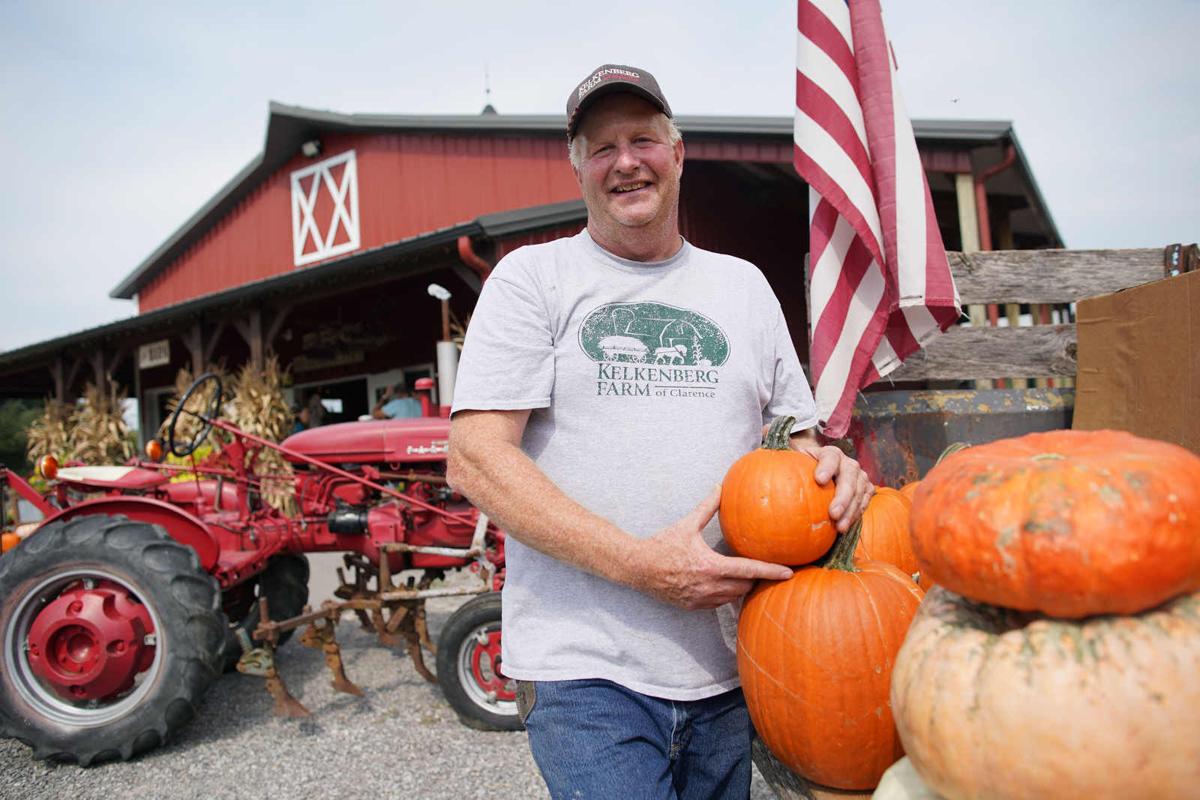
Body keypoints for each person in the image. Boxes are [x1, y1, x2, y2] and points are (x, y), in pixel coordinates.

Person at [446, 64, 872, 800]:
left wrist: (837, 474)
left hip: (736, 664)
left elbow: (794, 444)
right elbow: (476, 460)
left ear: (677, 153)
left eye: (642, 140)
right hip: (586, 673)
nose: (625, 162)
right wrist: (640, 566)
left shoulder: (743, 288)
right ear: (578, 166)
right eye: (602, 148)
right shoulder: (533, 279)